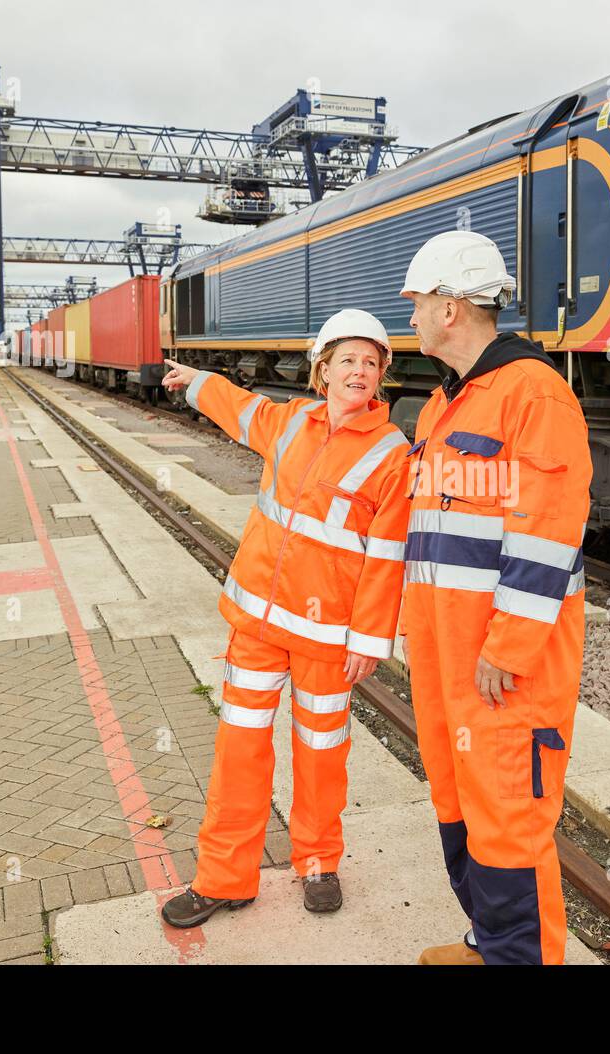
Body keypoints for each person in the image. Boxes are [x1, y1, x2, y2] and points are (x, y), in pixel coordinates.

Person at [158, 309, 410, 926]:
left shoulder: (393, 454)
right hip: (257, 626)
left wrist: (371, 637)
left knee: (321, 752)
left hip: (328, 637)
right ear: (322, 369)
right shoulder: (291, 421)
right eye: (347, 360)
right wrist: (191, 379)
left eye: (371, 363)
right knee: (239, 748)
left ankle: (319, 862)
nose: (359, 372)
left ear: (381, 378)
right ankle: (224, 877)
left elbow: (388, 553)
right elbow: (238, 404)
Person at [398, 231, 593, 964]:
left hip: (501, 661)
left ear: (450, 308)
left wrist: (507, 647)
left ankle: (520, 959)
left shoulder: (533, 395)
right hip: (448, 656)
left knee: (509, 813)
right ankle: (488, 942)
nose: (411, 315)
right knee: (459, 802)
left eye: (417, 303)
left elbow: (547, 533)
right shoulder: (445, 404)